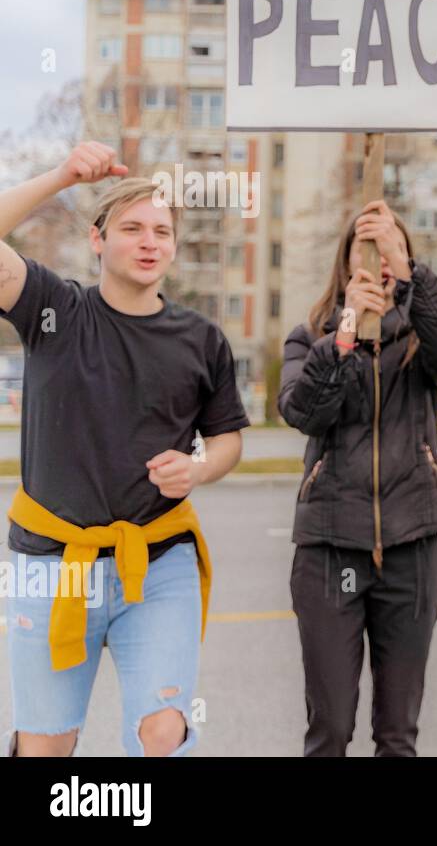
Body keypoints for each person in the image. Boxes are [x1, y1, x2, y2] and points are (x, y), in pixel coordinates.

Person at [1, 143, 249, 757]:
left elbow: (228, 440)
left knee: (161, 735)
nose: (148, 242)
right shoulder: (53, 309)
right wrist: (61, 175)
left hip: (159, 563)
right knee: (45, 749)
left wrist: (198, 468)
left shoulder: (201, 339)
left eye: (161, 231)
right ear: (97, 239)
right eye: (132, 228)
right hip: (53, 565)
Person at [278, 199, 437, 756]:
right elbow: (303, 411)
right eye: (368, 252)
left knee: (397, 734)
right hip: (328, 547)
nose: (381, 264)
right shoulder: (309, 337)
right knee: (331, 727)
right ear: (345, 266)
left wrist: (408, 270)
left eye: (390, 252)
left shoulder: (421, 339)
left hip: (411, 546)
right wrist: (343, 339)